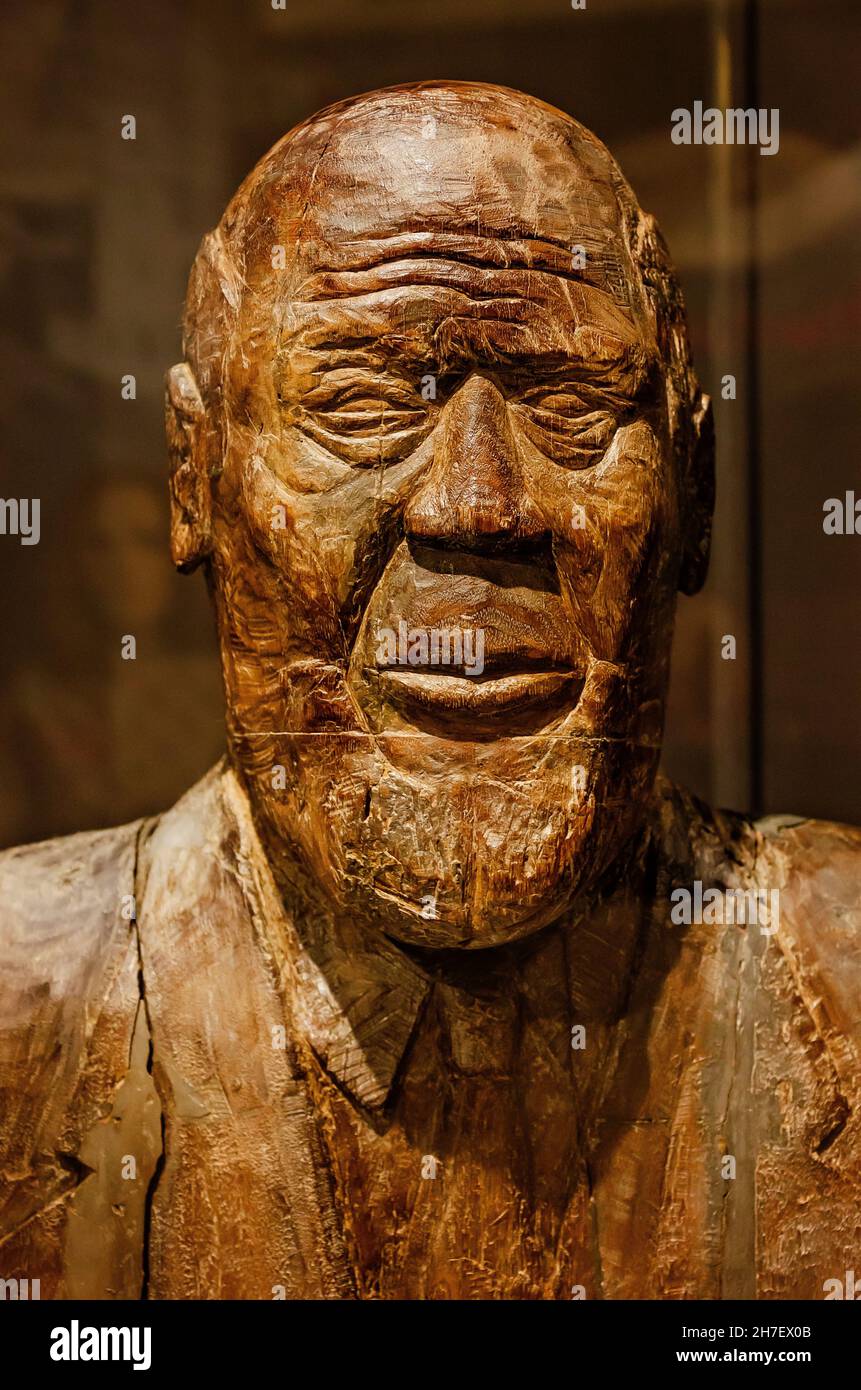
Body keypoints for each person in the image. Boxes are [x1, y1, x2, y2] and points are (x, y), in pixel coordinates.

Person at [1, 82, 858, 1300]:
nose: (474, 502)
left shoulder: (845, 984)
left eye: (568, 408)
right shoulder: (19, 1008)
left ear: (696, 493)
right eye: (357, 406)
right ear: (196, 480)